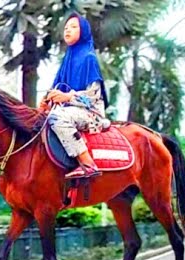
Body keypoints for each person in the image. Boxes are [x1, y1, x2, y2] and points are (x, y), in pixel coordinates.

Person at [41, 13, 110, 180]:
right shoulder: (68, 59)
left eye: (73, 27)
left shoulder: (88, 58)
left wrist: (67, 97)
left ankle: (87, 163)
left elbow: (93, 96)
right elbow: (57, 87)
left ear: (83, 31)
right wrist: (46, 101)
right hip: (70, 111)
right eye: (66, 28)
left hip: (91, 114)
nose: (68, 31)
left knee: (56, 117)